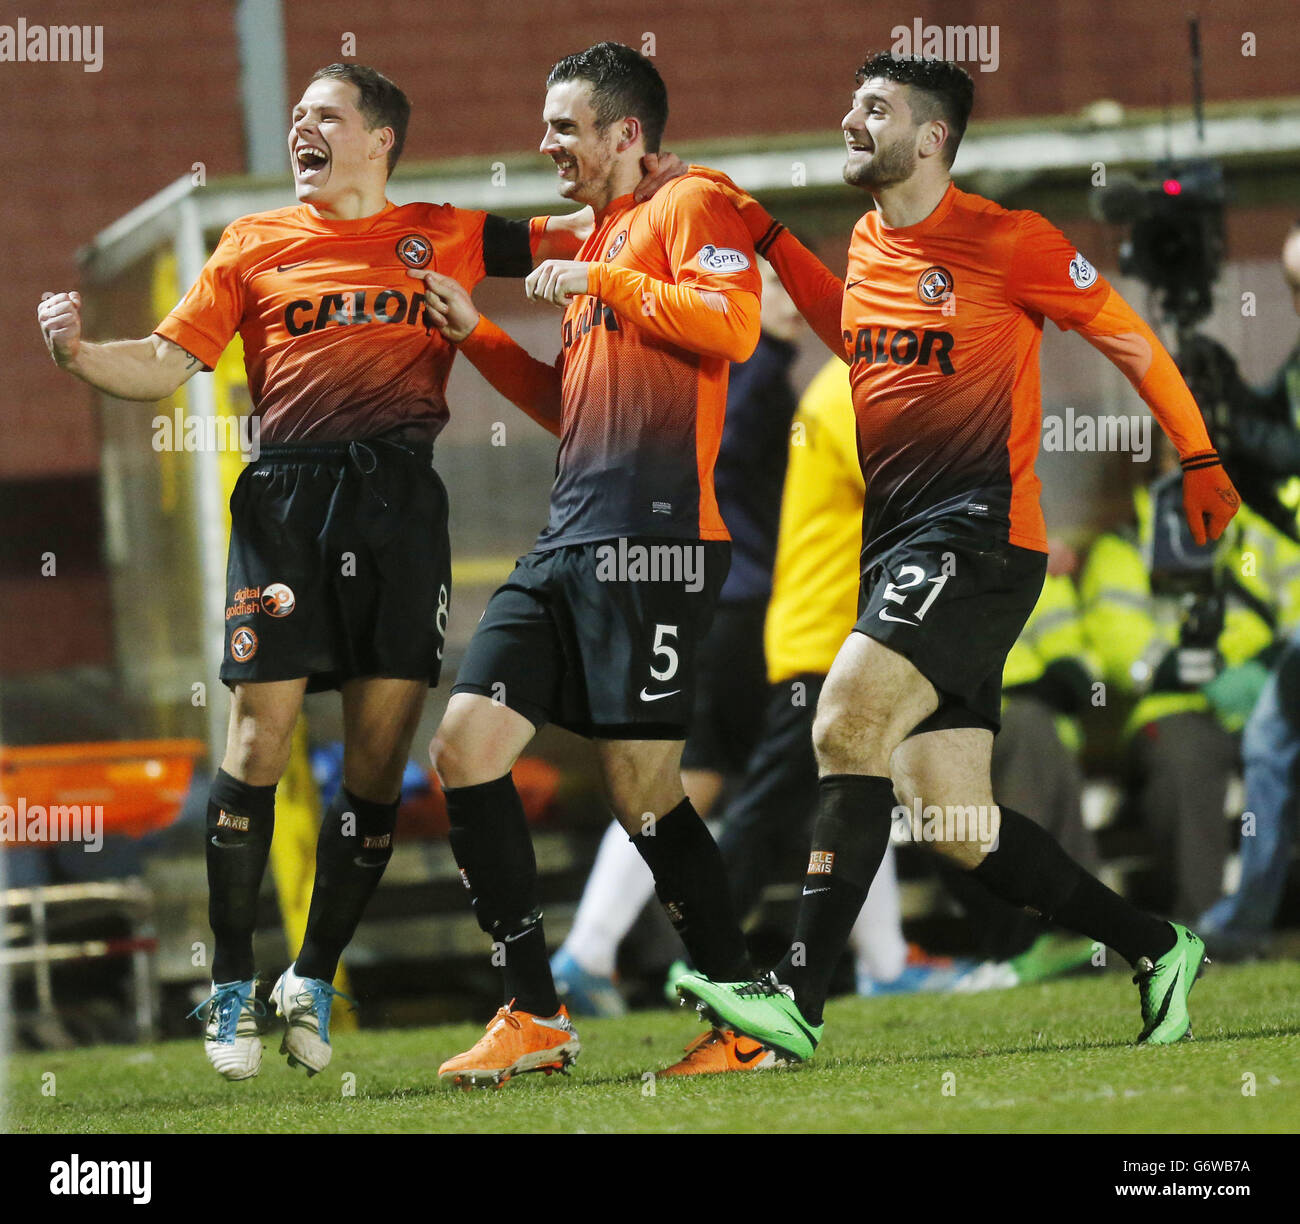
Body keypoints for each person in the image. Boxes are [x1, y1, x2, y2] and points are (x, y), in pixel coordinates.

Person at [36, 61, 678, 1081]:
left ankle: (312, 976)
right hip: (286, 504)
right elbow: (162, 365)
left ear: (377, 138)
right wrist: (77, 356)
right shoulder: (250, 246)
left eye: (322, 115)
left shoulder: (447, 230)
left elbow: (595, 230)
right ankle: (235, 988)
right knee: (258, 734)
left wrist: (652, 186)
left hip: (399, 507)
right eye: (294, 117)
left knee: (380, 763)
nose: (301, 128)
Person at [675, 51, 1240, 1064]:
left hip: (977, 539)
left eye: (875, 107)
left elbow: (1129, 341)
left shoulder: (1006, 240)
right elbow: (854, 337)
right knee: (955, 819)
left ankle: (794, 999)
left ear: (931, 137)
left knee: (844, 717)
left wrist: (1197, 453)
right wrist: (761, 230)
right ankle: (1158, 948)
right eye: (851, 99)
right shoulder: (863, 240)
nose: (851, 115)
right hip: (901, 546)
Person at [408, 42, 764, 1087]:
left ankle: (741, 1009)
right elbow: (573, 405)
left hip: (656, 543)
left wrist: (599, 272)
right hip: (568, 541)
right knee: (466, 748)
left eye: (563, 126)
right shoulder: (602, 240)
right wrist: (477, 333)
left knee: (644, 791)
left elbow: (733, 325)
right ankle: (534, 1010)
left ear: (626, 135)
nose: (544, 142)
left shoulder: (688, 208)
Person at [548, 260, 803, 1019]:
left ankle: (587, 951)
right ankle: (873, 961)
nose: (787, 302)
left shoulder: (690, 377)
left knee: (689, 783)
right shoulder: (752, 378)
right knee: (835, 767)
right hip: (749, 612)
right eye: (773, 289)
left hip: (699, 602)